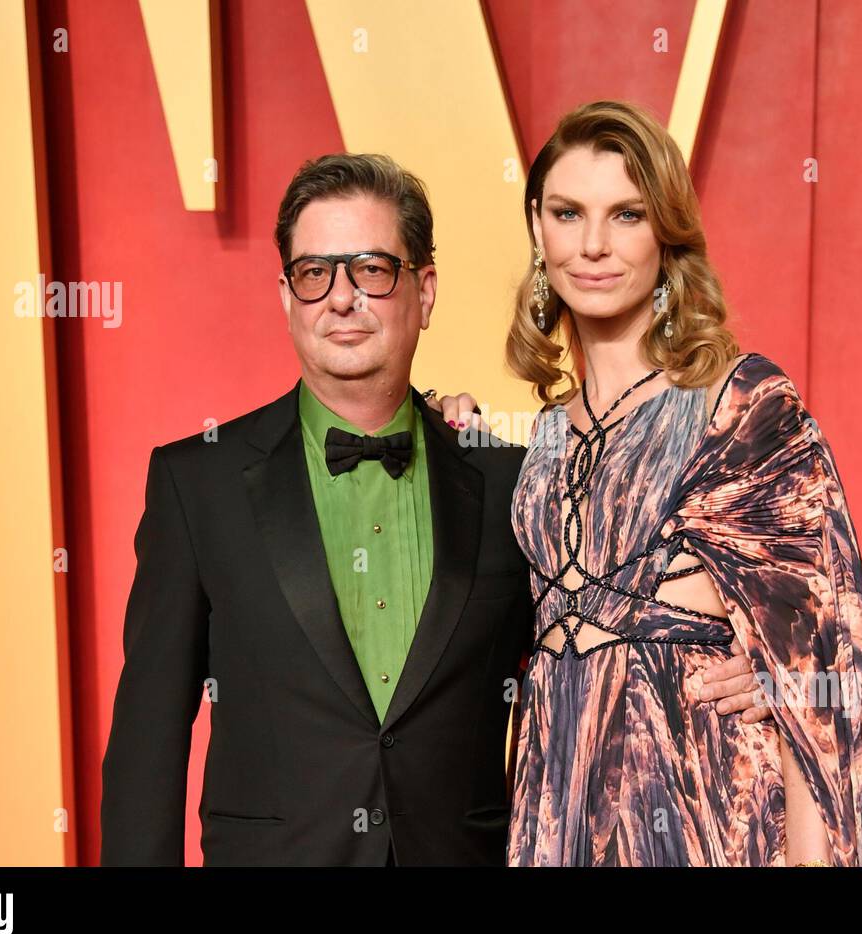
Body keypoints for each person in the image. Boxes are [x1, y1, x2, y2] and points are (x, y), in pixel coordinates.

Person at [99, 151, 753, 866]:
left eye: (372, 269)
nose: (342, 298)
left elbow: (598, 645)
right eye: (315, 274)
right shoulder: (199, 484)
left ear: (425, 292)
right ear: (286, 296)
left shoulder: (517, 486)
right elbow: (147, 745)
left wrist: (753, 670)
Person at [484, 100, 862, 866]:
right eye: (567, 212)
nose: (592, 245)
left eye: (626, 215)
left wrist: (779, 687)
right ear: (536, 227)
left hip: (705, 813)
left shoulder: (742, 408)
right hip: (555, 818)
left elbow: (825, 672)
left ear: (666, 234)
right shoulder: (542, 439)